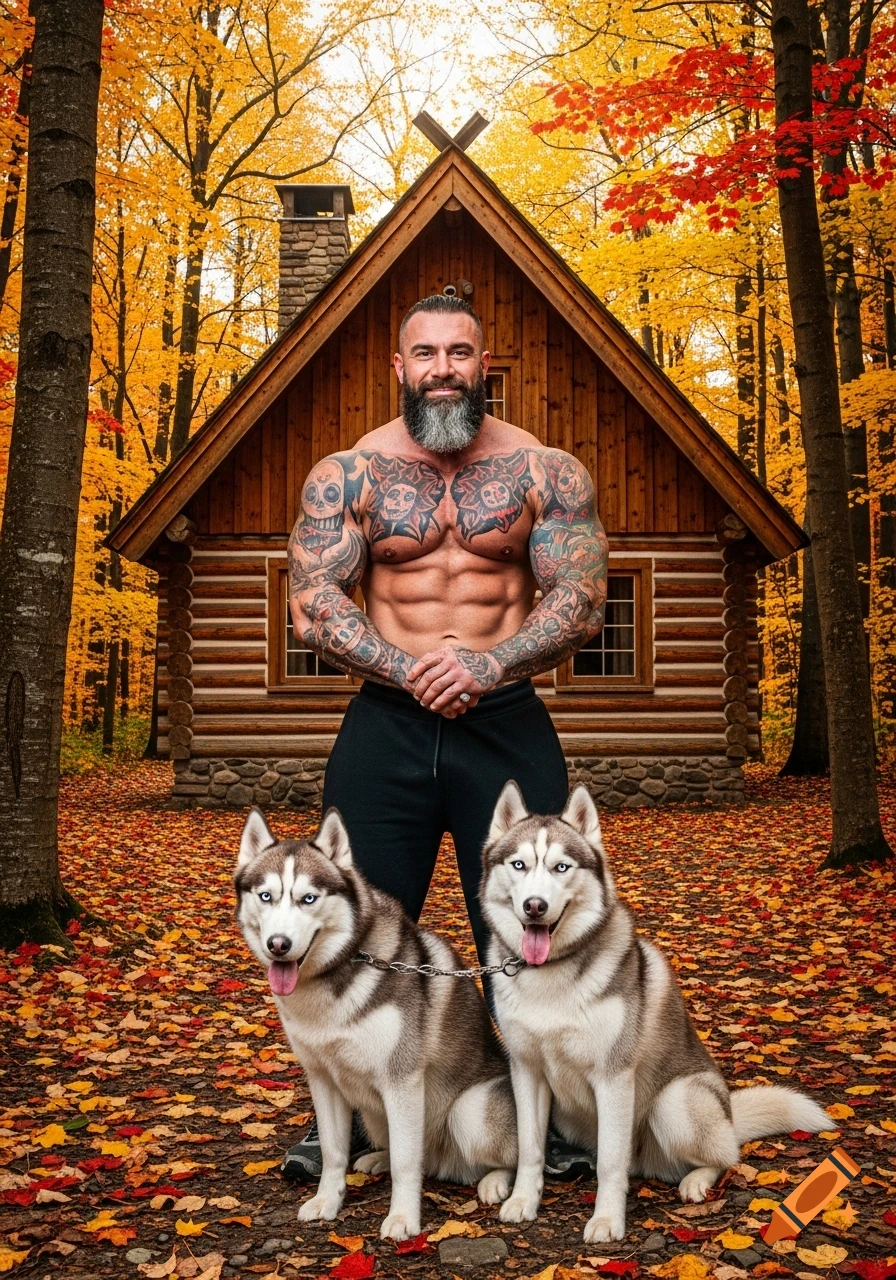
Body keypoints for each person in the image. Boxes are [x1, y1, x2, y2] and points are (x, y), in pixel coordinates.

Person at [282, 294, 608, 1181]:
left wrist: (488, 668)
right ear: (399, 366)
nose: (442, 367)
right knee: (348, 924)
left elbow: (579, 600)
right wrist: (412, 668)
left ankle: (557, 1120)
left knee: (536, 921)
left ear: (484, 360)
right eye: (424, 352)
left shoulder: (549, 470)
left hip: (506, 721)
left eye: (459, 351)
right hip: (385, 721)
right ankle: (340, 1123)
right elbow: (312, 602)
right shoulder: (346, 474)